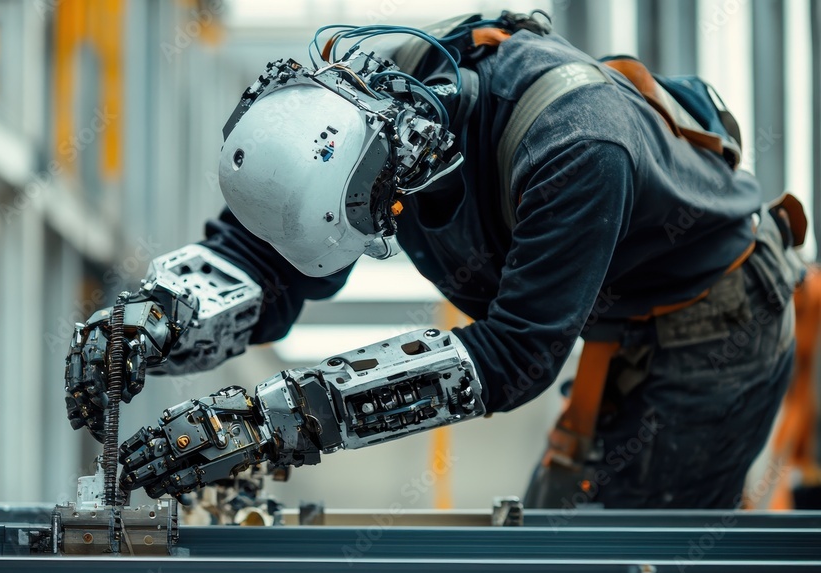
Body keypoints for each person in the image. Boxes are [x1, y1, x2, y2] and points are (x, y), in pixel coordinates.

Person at [64, 12, 804, 509]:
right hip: (616, 311)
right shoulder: (361, 112)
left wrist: (282, 419)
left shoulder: (576, 146)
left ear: (387, 177)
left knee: (630, 558)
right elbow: (266, 260)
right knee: (558, 531)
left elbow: (513, 355)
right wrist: (155, 319)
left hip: (718, 312)